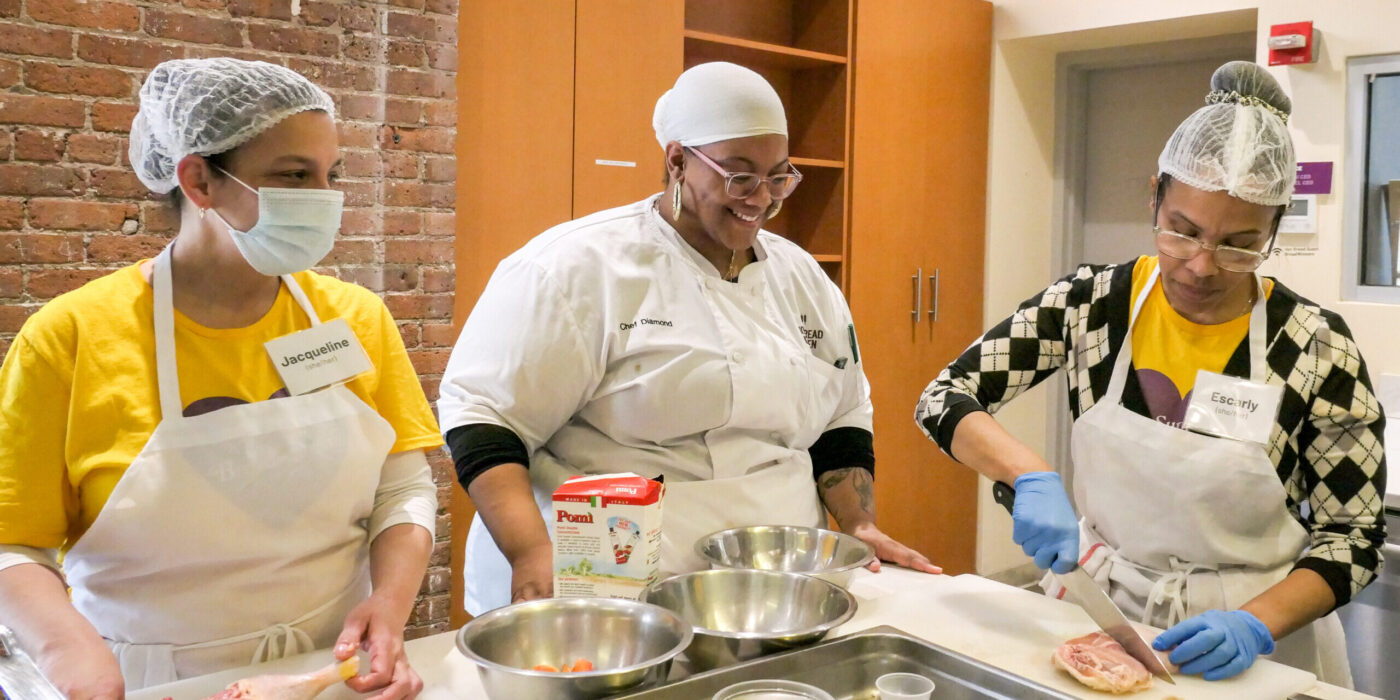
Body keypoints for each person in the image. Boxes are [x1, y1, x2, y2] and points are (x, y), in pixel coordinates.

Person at [916, 61, 1385, 685]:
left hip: (1250, 641)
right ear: (1154, 196)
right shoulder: (1092, 304)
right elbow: (945, 397)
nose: (1201, 265)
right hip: (1095, 609)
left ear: (1274, 227)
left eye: (1239, 244)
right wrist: (1026, 473)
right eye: (1181, 232)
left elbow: (1351, 537)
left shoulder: (1313, 345)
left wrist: (1255, 624)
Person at [0, 58, 441, 699]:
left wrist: (390, 608)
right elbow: (13, 542)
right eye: (294, 175)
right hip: (148, 681)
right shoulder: (71, 337)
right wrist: (70, 653)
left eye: (330, 175)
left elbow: (401, 485)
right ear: (199, 181)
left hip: (328, 671)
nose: (323, 198)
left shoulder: (353, 318)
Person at [439, 61, 938, 615]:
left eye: (779, 177)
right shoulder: (576, 267)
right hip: (606, 586)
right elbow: (486, 417)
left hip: (774, 588)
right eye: (739, 176)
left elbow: (842, 415)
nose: (762, 198)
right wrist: (530, 552)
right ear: (677, 160)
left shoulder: (801, 277)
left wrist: (858, 523)